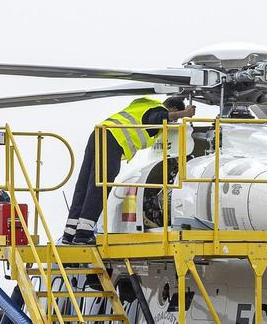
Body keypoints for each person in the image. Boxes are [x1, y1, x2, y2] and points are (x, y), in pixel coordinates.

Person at [61, 95, 195, 244]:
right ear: (174, 108)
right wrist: (184, 114)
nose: (172, 123)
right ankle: (83, 235)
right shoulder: (157, 110)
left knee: (84, 185)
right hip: (114, 140)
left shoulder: (144, 105)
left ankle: (69, 234)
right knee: (100, 187)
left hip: (99, 133)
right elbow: (160, 116)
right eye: (174, 119)